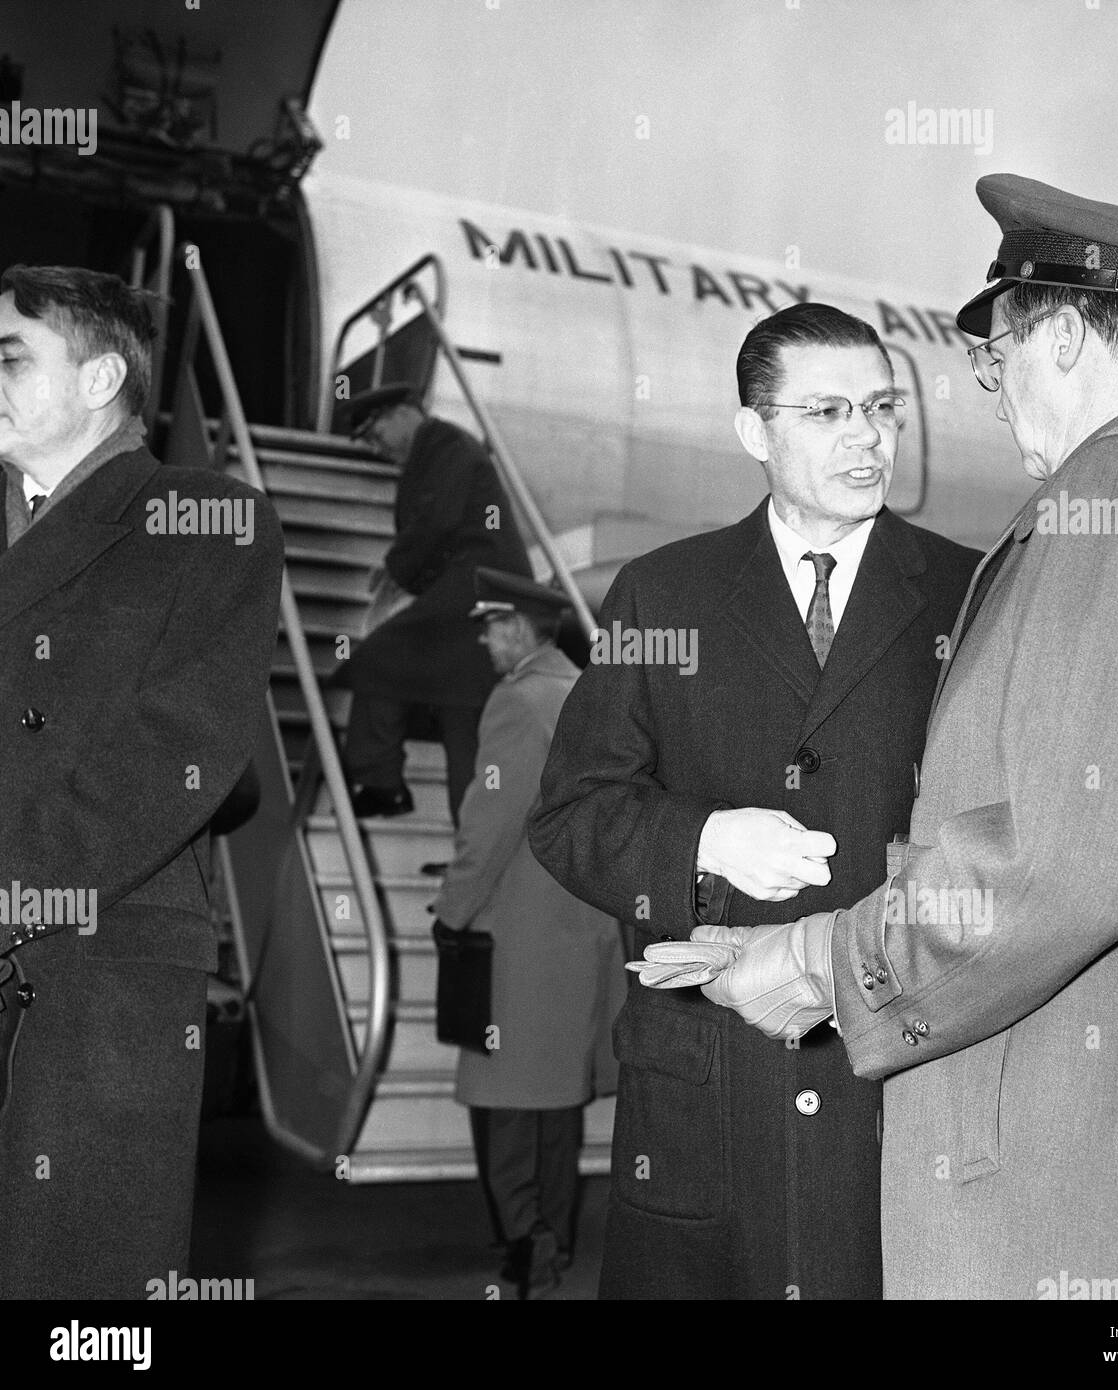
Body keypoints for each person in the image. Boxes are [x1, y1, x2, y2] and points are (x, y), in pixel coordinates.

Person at [668, 175, 1118, 1299]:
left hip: (1084, 1115)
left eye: (994, 362)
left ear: (1056, 335)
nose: (995, 399)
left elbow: (1066, 859)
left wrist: (821, 962)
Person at [529, 303, 979, 1299]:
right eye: (826, 411)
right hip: (711, 1083)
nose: (865, 437)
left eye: (881, 407)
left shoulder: (968, 594)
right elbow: (570, 814)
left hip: (890, 1074)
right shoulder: (662, 594)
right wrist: (702, 839)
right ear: (752, 431)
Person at [0, 264, 283, 1299]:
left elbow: (179, 750)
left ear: (99, 375)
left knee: (77, 1283)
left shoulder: (209, 520)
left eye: (11, 356)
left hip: (96, 960)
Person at [433, 567, 624, 1299]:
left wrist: (451, 913)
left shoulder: (517, 702)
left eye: (490, 625)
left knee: (506, 1101)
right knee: (554, 1102)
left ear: (518, 628)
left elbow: (490, 824)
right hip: (583, 928)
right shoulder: (586, 693)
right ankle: (553, 1239)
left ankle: (526, 1247)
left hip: (518, 937)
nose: (484, 639)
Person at [334, 384, 533, 822]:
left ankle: (381, 783)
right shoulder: (439, 451)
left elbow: (437, 521)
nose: (374, 446)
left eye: (374, 431)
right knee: (463, 720)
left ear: (404, 412)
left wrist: (393, 572)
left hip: (479, 593)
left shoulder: (444, 443)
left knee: (378, 659)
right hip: (484, 600)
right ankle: (470, 849)